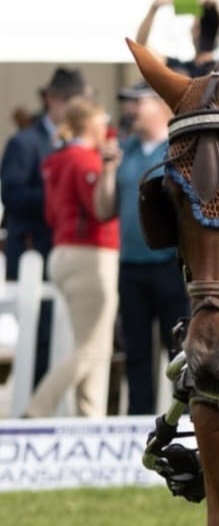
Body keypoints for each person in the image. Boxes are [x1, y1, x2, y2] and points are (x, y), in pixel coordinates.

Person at [94, 84, 189, 415]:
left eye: (137, 102)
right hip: (131, 266)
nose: (130, 109)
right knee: (136, 352)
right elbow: (103, 210)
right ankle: (138, 420)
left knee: (178, 351)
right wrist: (107, 170)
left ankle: (187, 424)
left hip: (168, 265)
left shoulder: (176, 149)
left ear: (160, 105)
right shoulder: (126, 149)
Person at [24, 99, 119, 418]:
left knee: (95, 345)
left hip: (62, 250)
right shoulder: (85, 161)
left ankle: (89, 420)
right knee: (91, 345)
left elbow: (51, 213)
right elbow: (100, 209)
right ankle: (39, 407)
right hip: (90, 252)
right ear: (90, 125)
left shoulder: (57, 160)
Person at [1, 65, 89, 384]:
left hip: (68, 253)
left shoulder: (79, 143)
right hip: (33, 248)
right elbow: (11, 195)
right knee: (36, 335)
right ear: (53, 100)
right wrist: (58, 196)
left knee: (64, 335)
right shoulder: (25, 143)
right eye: (70, 100)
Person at [134, 0, 219, 79]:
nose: (194, 31)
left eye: (196, 27)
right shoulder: (181, 67)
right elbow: (141, 48)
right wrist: (154, 8)